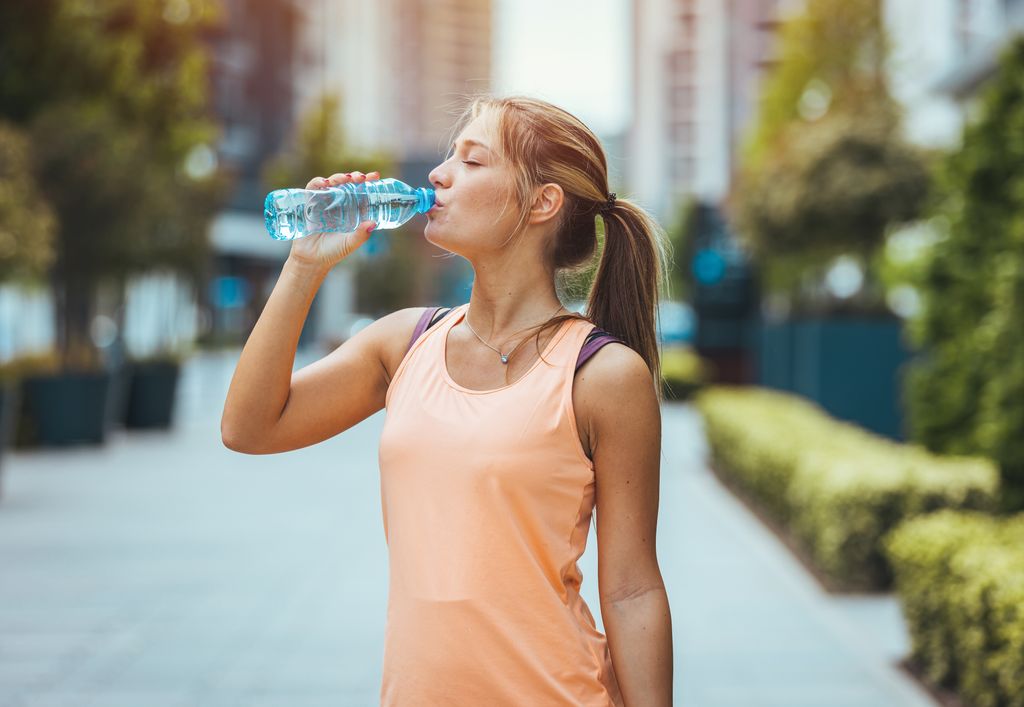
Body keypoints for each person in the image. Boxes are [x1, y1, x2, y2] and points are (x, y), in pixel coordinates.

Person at [221, 94, 673, 706]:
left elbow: (632, 590)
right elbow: (248, 428)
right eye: (447, 157)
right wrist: (304, 264)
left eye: (473, 161)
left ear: (542, 202)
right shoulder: (403, 344)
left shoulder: (602, 375)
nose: (438, 175)